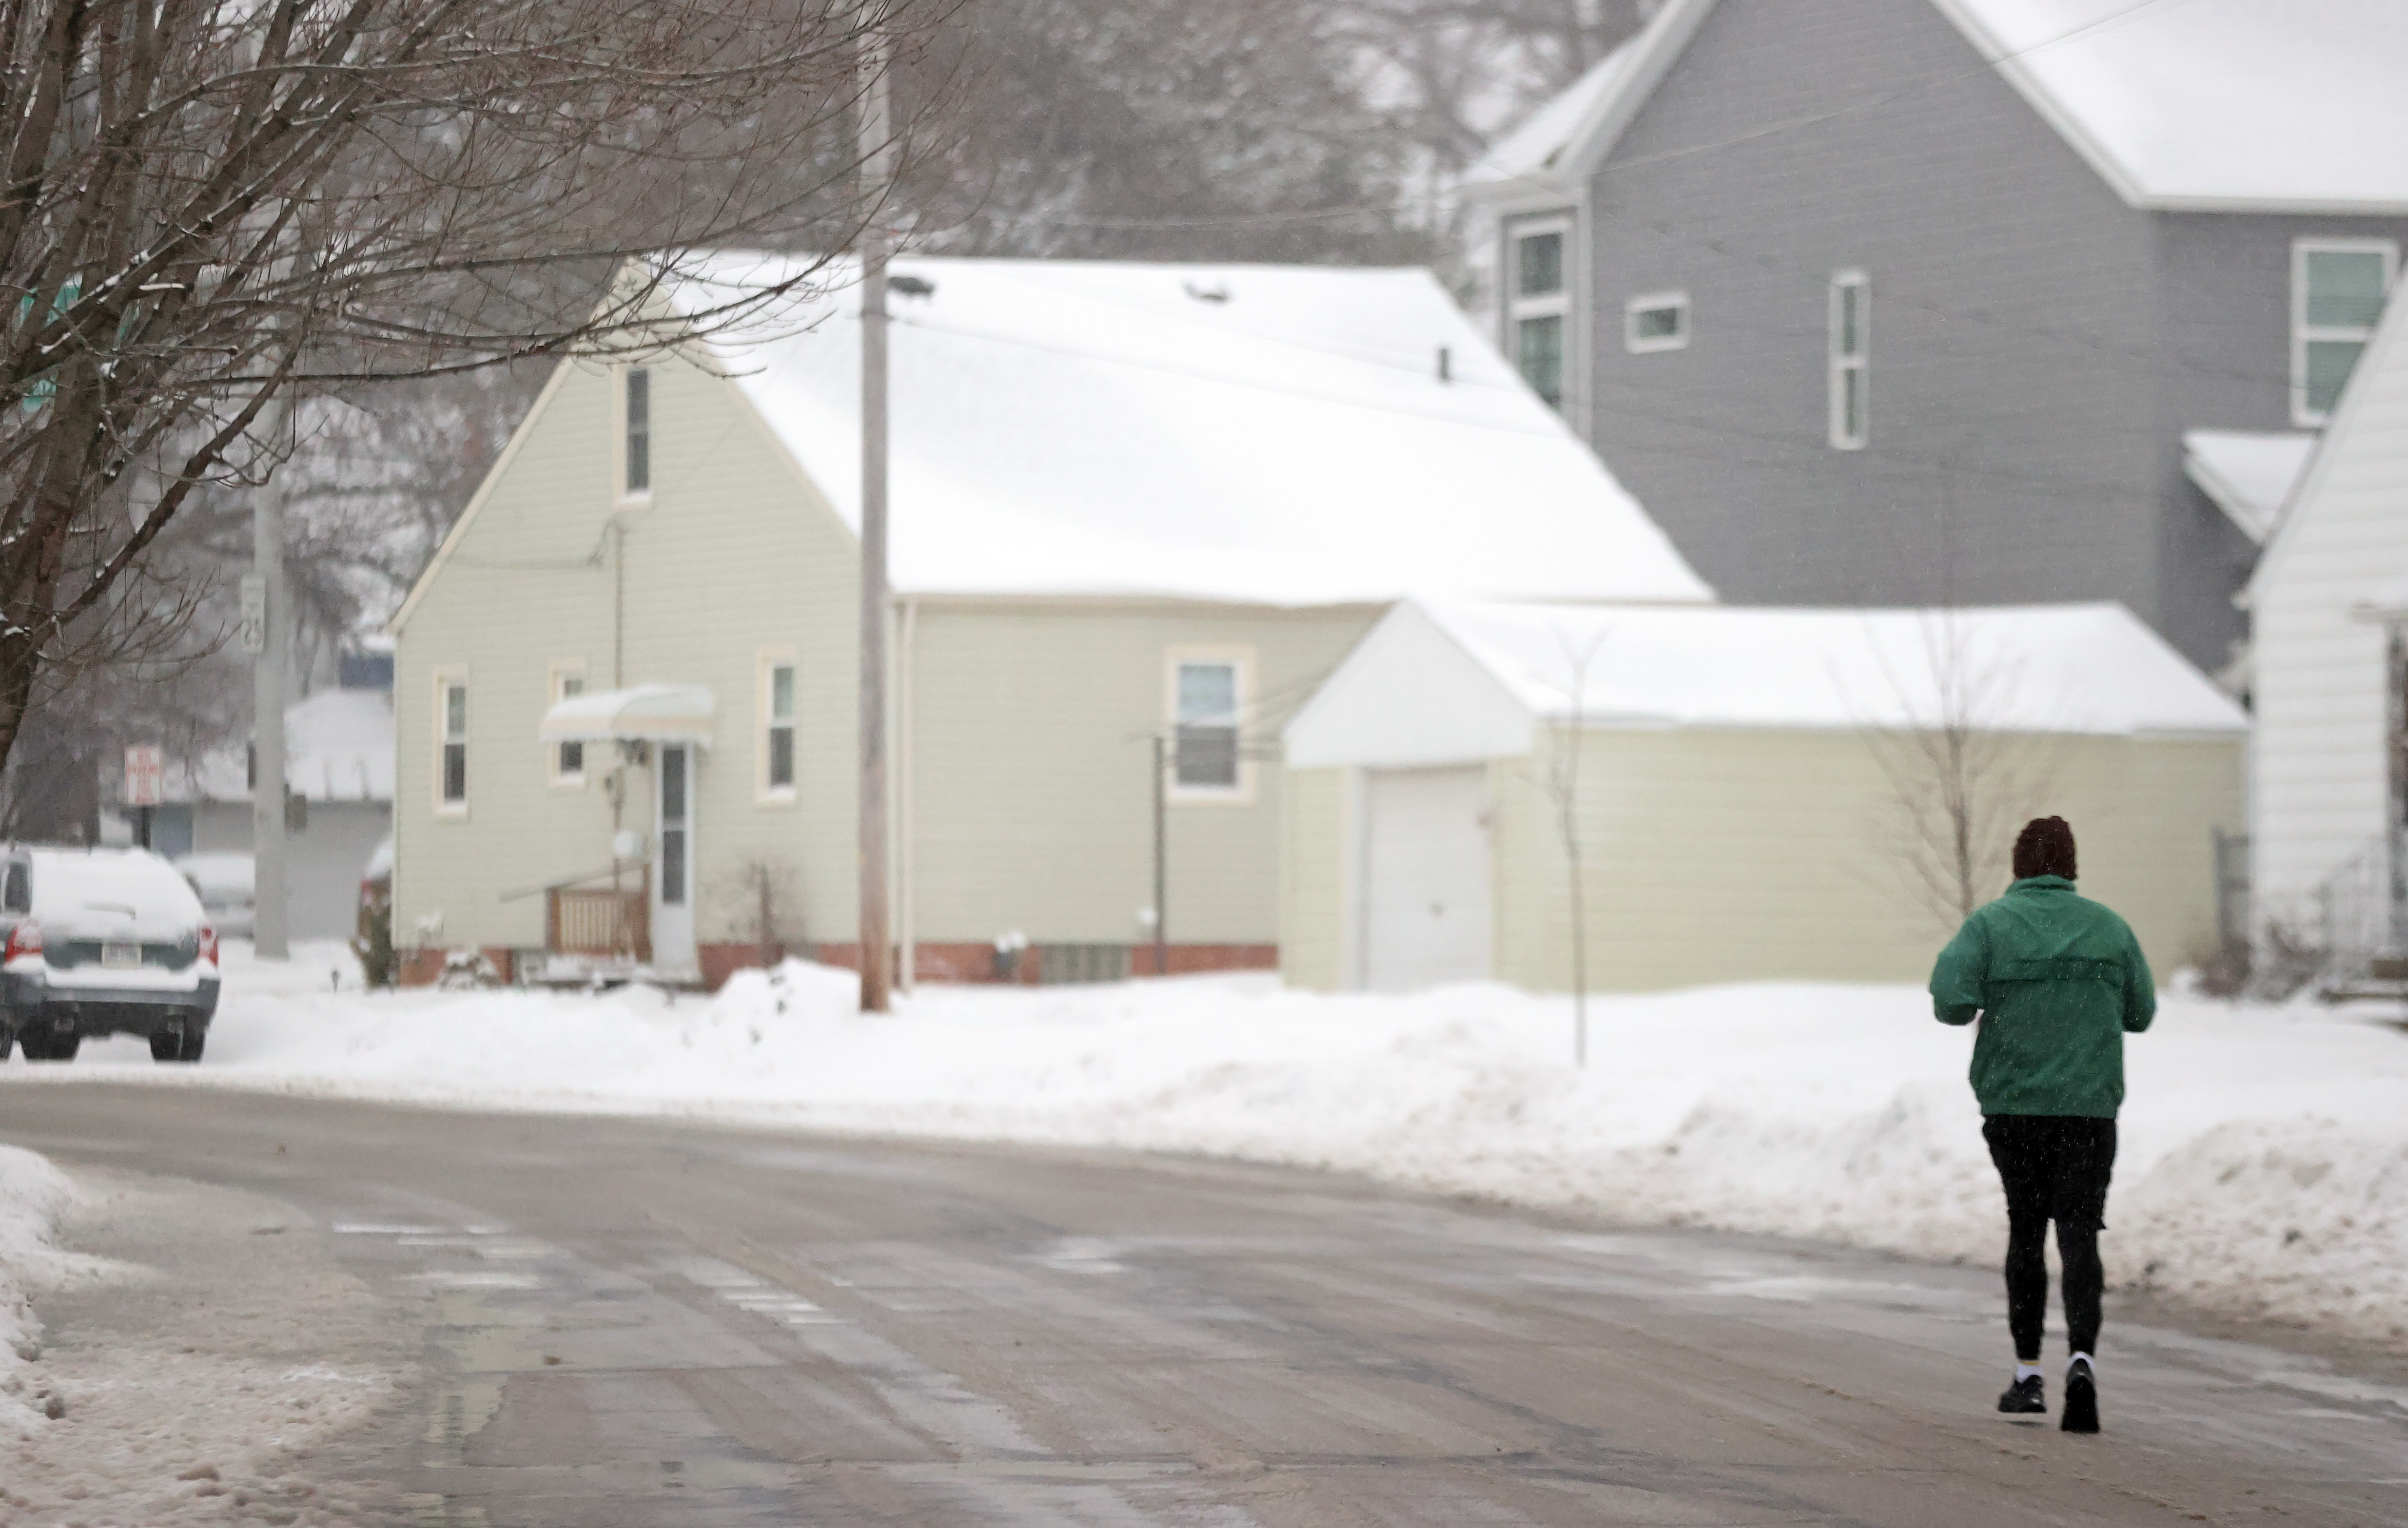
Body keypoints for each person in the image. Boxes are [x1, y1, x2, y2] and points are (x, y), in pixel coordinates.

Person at [1928, 815, 2154, 1434]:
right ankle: (2082, 1362)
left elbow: (1950, 1003)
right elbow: (2140, 1013)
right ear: (2071, 866)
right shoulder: (2110, 928)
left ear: (2018, 865)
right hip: (2087, 1109)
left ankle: (2027, 1376)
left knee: (2026, 1231)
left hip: (2014, 1108)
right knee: (2080, 1234)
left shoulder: (1990, 926)